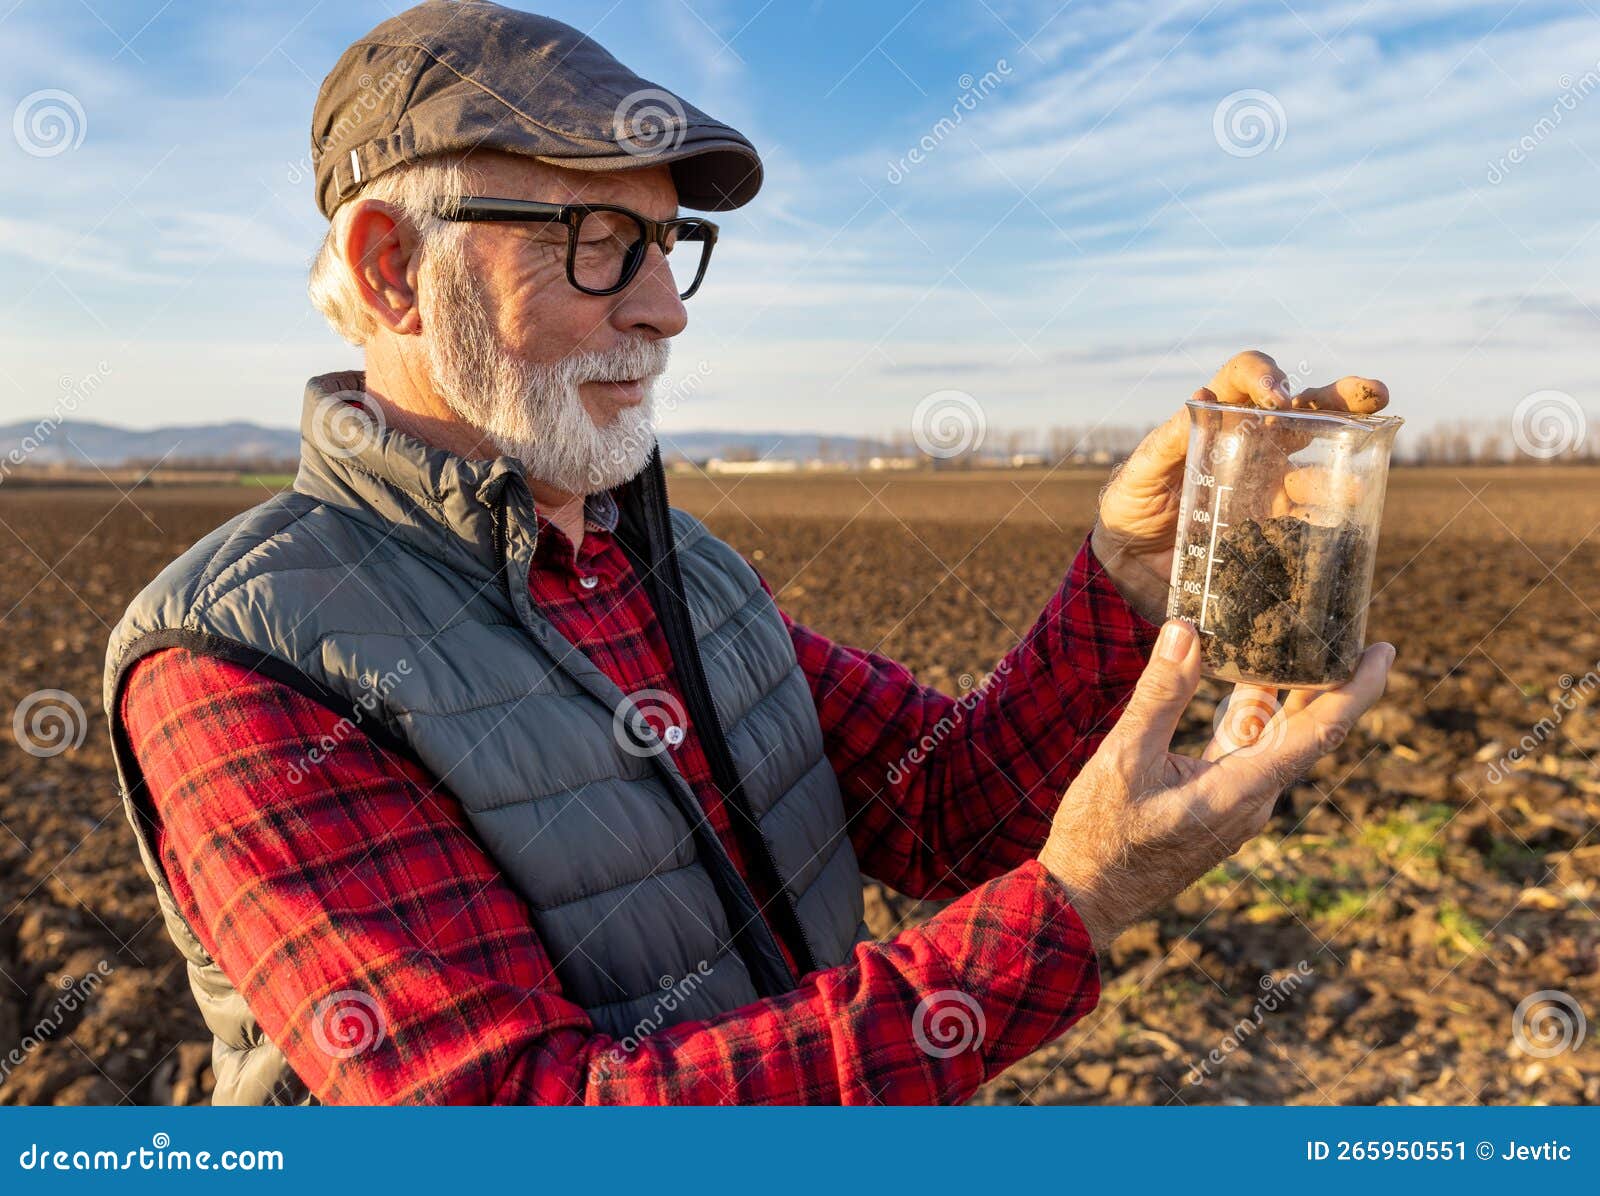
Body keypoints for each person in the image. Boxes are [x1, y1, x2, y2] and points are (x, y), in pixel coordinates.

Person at [103, 0, 1393, 1105]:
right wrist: (1075, 910)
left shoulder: (679, 572)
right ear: (392, 269)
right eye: (596, 242)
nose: (662, 309)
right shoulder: (241, 667)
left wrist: (1124, 568)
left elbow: (946, 813)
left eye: (669, 247)